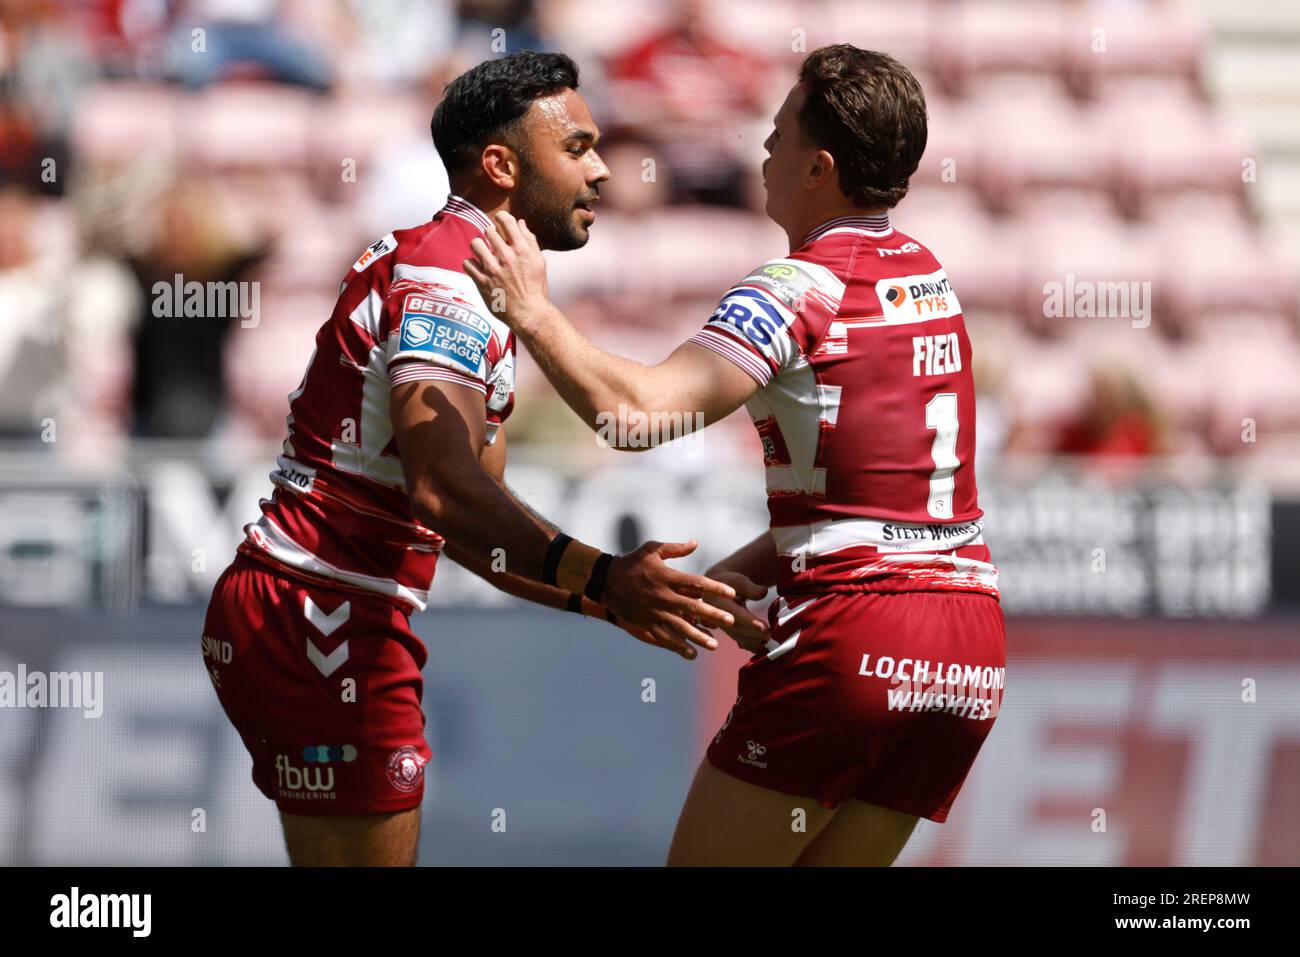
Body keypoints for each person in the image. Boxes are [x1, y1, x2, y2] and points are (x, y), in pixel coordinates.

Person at [464, 44, 1006, 866]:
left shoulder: (797, 286)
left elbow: (635, 416)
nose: (763, 149)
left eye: (779, 134)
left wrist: (531, 311)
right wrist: (750, 564)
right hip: (968, 650)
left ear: (819, 168)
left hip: (856, 636)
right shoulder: (930, 276)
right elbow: (893, 504)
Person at [201, 51, 739, 867]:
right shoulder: (447, 280)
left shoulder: (463, 272)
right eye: (578, 148)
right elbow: (445, 491)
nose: (602, 171)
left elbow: (466, 527)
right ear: (501, 165)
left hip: (315, 601)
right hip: (321, 609)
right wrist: (602, 576)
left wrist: (603, 600)